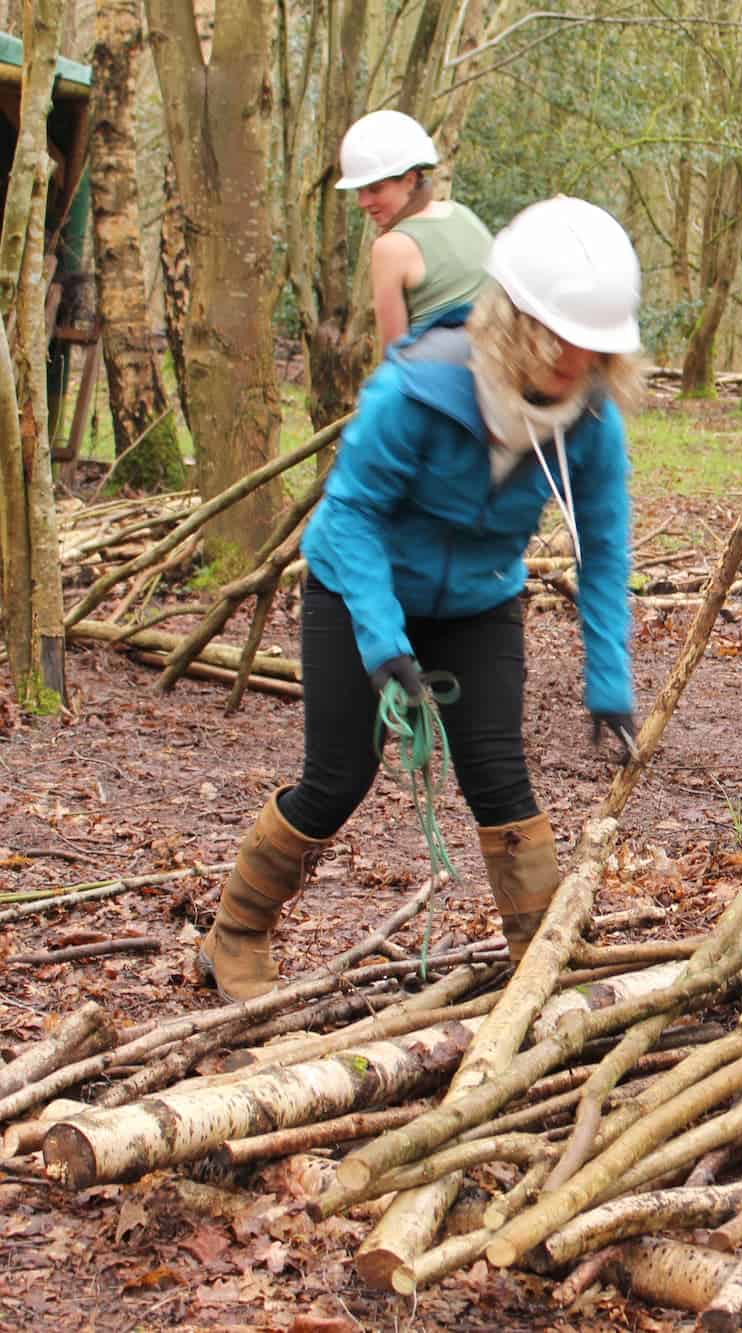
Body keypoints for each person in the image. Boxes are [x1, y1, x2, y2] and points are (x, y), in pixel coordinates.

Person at [196, 197, 646, 1002]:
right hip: (358, 586)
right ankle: (236, 932)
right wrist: (384, 645)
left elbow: (604, 548)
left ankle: (540, 968)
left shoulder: (592, 423)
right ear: (517, 324)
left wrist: (609, 680)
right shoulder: (416, 390)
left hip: (479, 600)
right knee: (336, 779)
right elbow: (356, 512)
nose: (578, 364)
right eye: (563, 344)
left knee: (501, 780)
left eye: (595, 350)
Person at [335, 109, 494, 351]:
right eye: (360, 191)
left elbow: (396, 357)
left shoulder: (390, 247)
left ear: (410, 180)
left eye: (375, 189)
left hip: (442, 377)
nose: (363, 202)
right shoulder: (462, 214)